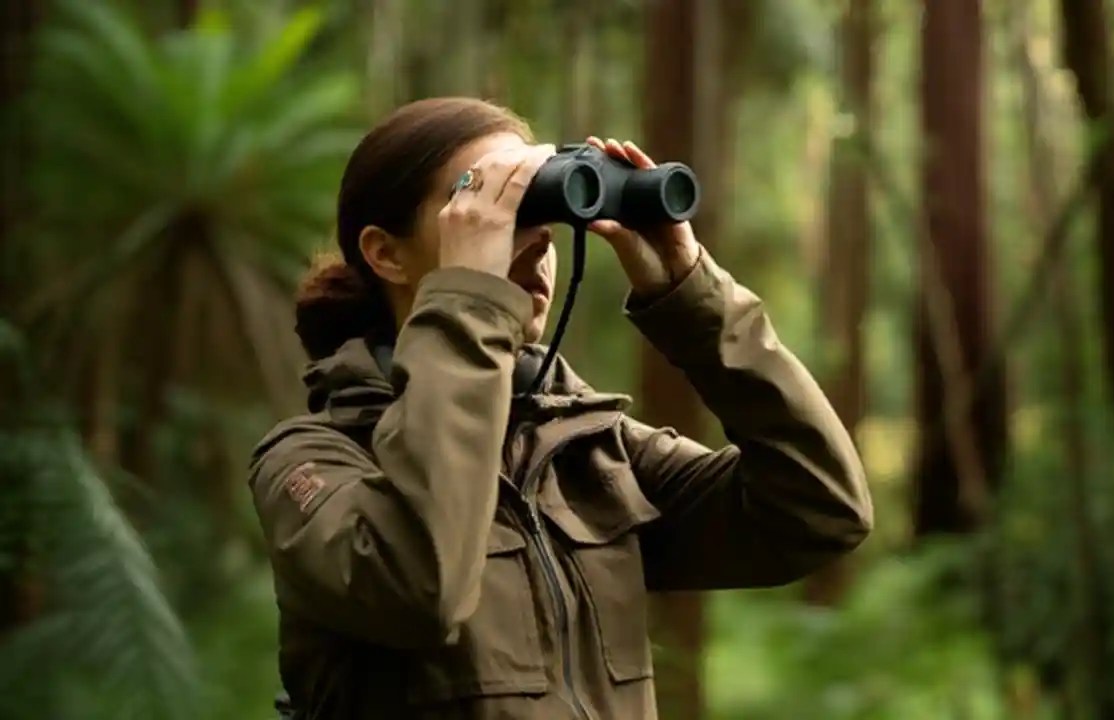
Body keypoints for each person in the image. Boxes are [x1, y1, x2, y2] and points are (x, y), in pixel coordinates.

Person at [249, 96, 874, 720]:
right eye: (487, 207)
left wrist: (693, 299)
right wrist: (470, 301)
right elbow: (421, 586)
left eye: (534, 205)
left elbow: (817, 510)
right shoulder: (310, 461)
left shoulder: (587, 453)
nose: (535, 238)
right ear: (387, 253)